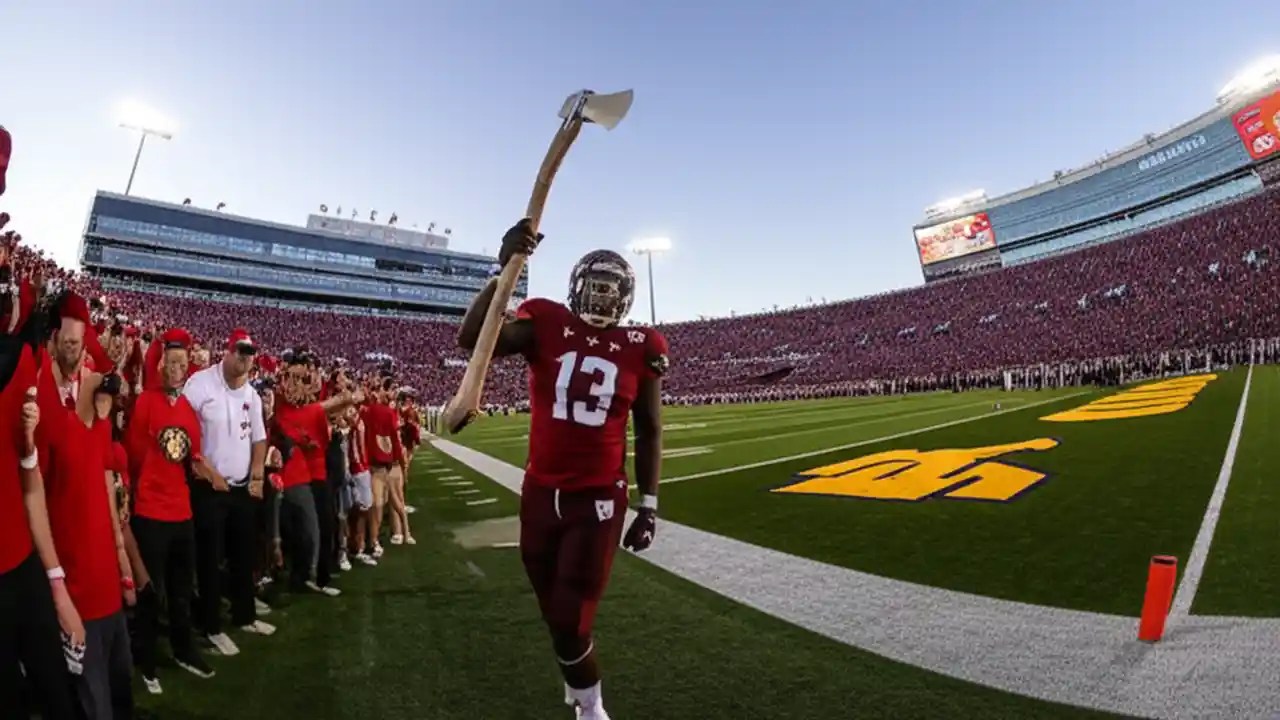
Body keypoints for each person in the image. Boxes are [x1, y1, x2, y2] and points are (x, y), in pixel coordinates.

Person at [457, 218, 669, 720]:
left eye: (610, 291)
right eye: (594, 289)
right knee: (551, 603)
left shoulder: (644, 346)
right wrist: (501, 268)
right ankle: (576, 674)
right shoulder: (547, 321)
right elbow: (472, 338)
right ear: (576, 287)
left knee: (572, 619)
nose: (601, 300)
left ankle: (591, 707)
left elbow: (651, 429)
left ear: (626, 297)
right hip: (539, 491)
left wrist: (649, 506)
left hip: (597, 497)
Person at [36, 292, 136, 719]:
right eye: (72, 344)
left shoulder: (92, 394)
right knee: (89, 701)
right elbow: (35, 495)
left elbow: (101, 477)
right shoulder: (38, 396)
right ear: (53, 341)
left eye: (84, 343)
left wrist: (122, 560)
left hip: (104, 577)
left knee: (119, 688)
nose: (81, 354)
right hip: (71, 579)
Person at [127, 327, 217, 692]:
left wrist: (208, 471)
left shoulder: (189, 413)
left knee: (182, 590)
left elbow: (193, 458)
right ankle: (146, 661)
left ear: (187, 368)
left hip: (181, 513)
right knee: (151, 593)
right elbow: (133, 456)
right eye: (171, 362)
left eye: (182, 363)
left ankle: (183, 649)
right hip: (150, 512)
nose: (176, 368)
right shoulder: (146, 402)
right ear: (162, 364)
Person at [182, 328, 272, 657]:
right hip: (208, 486)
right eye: (240, 351)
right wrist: (203, 468)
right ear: (227, 350)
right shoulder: (200, 385)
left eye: (249, 352)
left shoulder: (251, 394)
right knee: (208, 559)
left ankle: (244, 615)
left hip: (241, 485)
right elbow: (181, 430)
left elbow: (259, 439)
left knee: (243, 554)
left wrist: (258, 474)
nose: (245, 357)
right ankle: (210, 626)